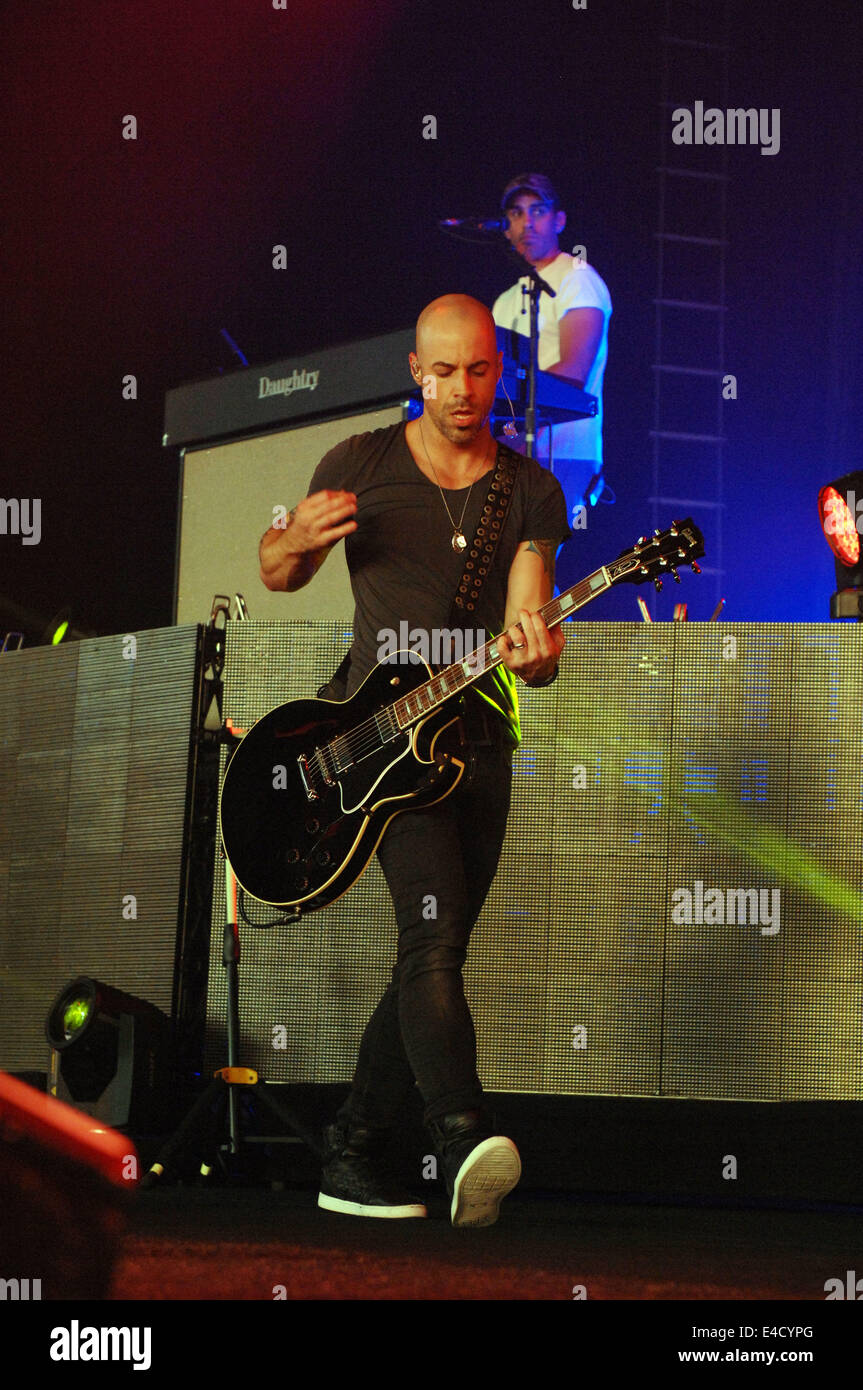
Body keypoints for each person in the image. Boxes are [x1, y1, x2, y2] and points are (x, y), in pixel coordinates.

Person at [258, 294, 569, 1227]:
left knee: (431, 954)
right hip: (382, 751)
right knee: (431, 941)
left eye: (479, 369)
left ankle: (350, 1151)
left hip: (476, 742)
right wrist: (292, 543)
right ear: (415, 371)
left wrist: (538, 650)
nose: (463, 388)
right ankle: (460, 1135)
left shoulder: (529, 488)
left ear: (497, 371)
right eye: (444, 371)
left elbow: (531, 617)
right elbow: (278, 567)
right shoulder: (358, 463)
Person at [492, 173, 612, 530]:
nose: (527, 222)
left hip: (564, 454)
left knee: (534, 568)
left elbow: (572, 375)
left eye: (538, 211)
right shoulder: (504, 302)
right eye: (516, 213)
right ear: (505, 228)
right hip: (512, 453)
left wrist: (505, 434)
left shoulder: (578, 277)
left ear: (559, 220)